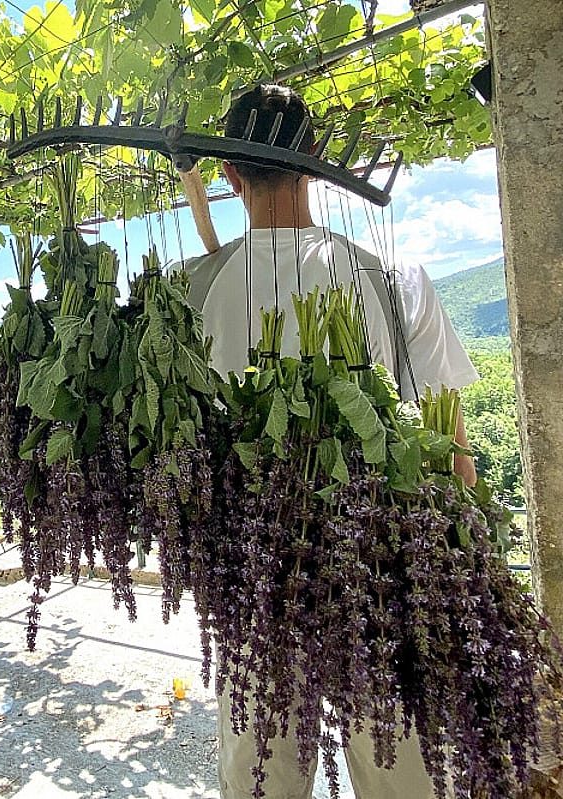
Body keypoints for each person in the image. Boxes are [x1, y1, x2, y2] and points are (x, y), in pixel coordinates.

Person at [181, 84, 479, 798]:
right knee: (404, 777)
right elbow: (455, 459)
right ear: (316, 162)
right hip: (381, 573)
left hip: (249, 574)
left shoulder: (188, 291)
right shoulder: (394, 277)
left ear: (230, 174)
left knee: (264, 780)